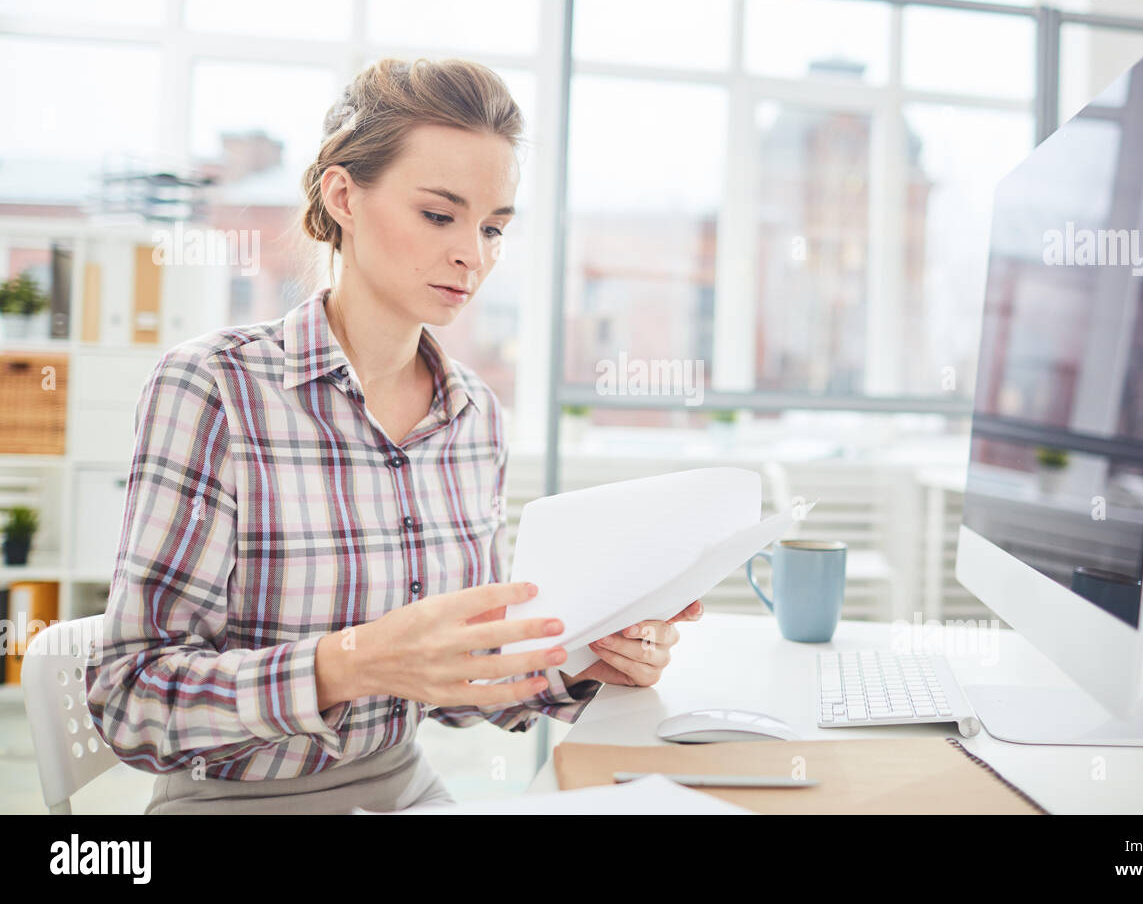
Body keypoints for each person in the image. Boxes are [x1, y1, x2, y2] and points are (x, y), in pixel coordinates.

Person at [85, 56, 703, 814]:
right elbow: (129, 700)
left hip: (402, 789)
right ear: (343, 194)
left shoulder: (472, 415)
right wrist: (352, 663)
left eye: (493, 227)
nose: (472, 254)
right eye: (439, 216)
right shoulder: (214, 389)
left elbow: (468, 684)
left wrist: (591, 665)